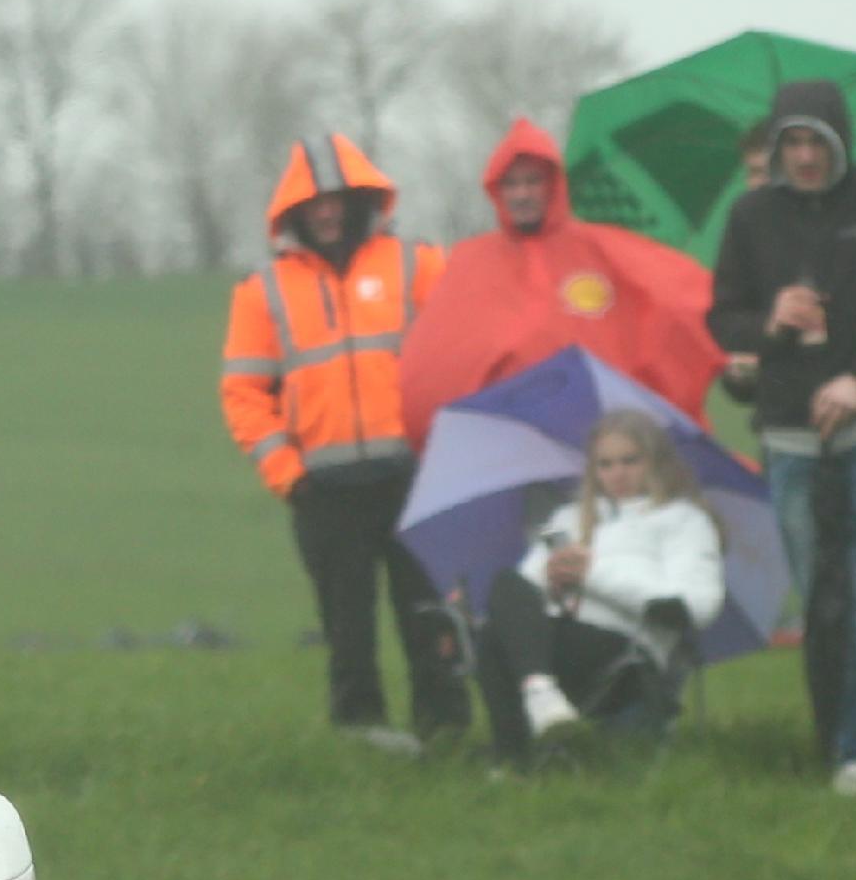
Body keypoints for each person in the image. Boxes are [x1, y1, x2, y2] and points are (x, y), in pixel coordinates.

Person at [707, 80, 856, 795]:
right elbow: (723, 319)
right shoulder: (750, 216)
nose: (806, 157)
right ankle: (855, 746)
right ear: (777, 148)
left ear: (840, 140)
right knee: (825, 600)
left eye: (817, 141)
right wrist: (770, 324)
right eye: (793, 143)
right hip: (790, 434)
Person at [218, 133, 469, 749]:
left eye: (337, 199)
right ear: (295, 212)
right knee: (346, 628)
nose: (327, 212)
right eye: (314, 203)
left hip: (415, 476)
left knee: (430, 614)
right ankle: (361, 736)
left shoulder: (419, 263)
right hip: (323, 489)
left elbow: (459, 358)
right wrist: (289, 475)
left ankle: (447, 734)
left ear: (361, 200)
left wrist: (449, 455)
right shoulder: (264, 291)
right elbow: (244, 394)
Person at [399, 118, 720, 420]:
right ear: (497, 190)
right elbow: (439, 355)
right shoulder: (471, 264)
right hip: (519, 433)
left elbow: (684, 296)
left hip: (605, 429)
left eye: (532, 181)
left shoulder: (603, 249)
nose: (521, 194)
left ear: (553, 184)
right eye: (511, 184)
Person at [476, 412, 729, 768]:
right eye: (605, 464)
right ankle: (537, 704)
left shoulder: (684, 520)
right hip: (554, 639)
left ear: (656, 462)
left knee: (496, 635)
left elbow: (692, 608)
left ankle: (515, 754)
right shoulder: (568, 517)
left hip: (625, 653)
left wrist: (591, 575)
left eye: (630, 461)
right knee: (505, 591)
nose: (618, 474)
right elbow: (520, 599)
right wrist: (551, 583)